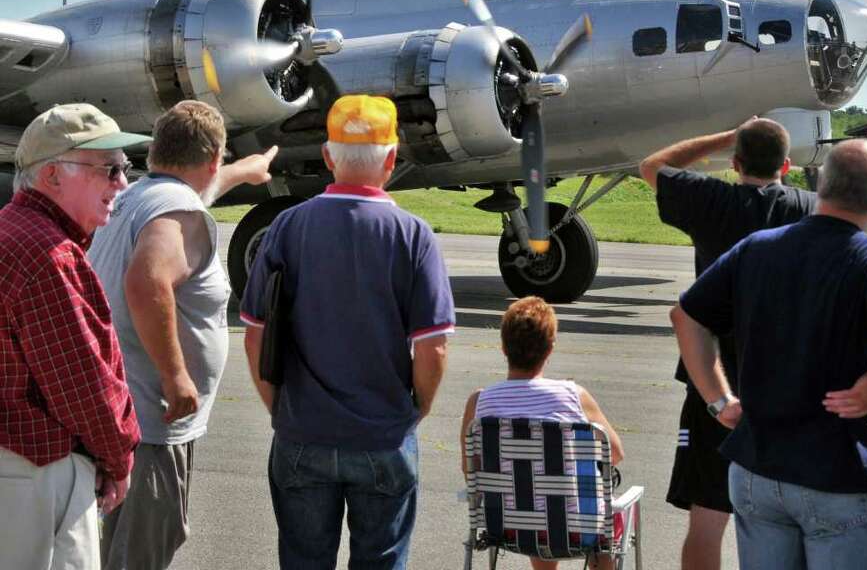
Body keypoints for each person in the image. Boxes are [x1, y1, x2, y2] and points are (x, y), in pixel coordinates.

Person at [671, 139, 867, 570]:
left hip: (758, 468)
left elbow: (685, 316)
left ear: (820, 186)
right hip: (837, 471)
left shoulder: (756, 248)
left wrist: (718, 399)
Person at [241, 94, 455, 570]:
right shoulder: (414, 235)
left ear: (327, 156)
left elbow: (254, 334)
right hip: (383, 435)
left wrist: (279, 408)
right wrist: (415, 410)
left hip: (302, 432)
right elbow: (433, 346)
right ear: (392, 158)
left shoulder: (286, 226)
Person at [88, 100, 277, 570]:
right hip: (153, 421)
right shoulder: (179, 212)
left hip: (120, 412)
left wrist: (244, 171)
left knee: (127, 546)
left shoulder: (138, 196)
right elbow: (147, 281)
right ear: (211, 158)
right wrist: (175, 376)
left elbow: (194, 192)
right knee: (141, 552)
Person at [638, 118, 815, 570]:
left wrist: (725, 135)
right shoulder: (810, 209)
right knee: (791, 519)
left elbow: (653, 165)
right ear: (786, 166)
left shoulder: (711, 200)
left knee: (707, 517)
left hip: (712, 379)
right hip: (788, 381)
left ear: (735, 163)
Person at [0, 103, 147, 570]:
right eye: (108, 169)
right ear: (52, 176)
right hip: (36, 473)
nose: (121, 183)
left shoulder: (15, 232)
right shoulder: (46, 252)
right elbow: (84, 385)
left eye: (124, 168)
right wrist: (118, 457)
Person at [460, 296, 624, 570]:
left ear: (503, 347)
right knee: (594, 512)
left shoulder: (479, 403)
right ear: (550, 349)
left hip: (506, 528)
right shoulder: (573, 396)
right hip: (578, 530)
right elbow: (615, 454)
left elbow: (470, 469)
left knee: (532, 497)